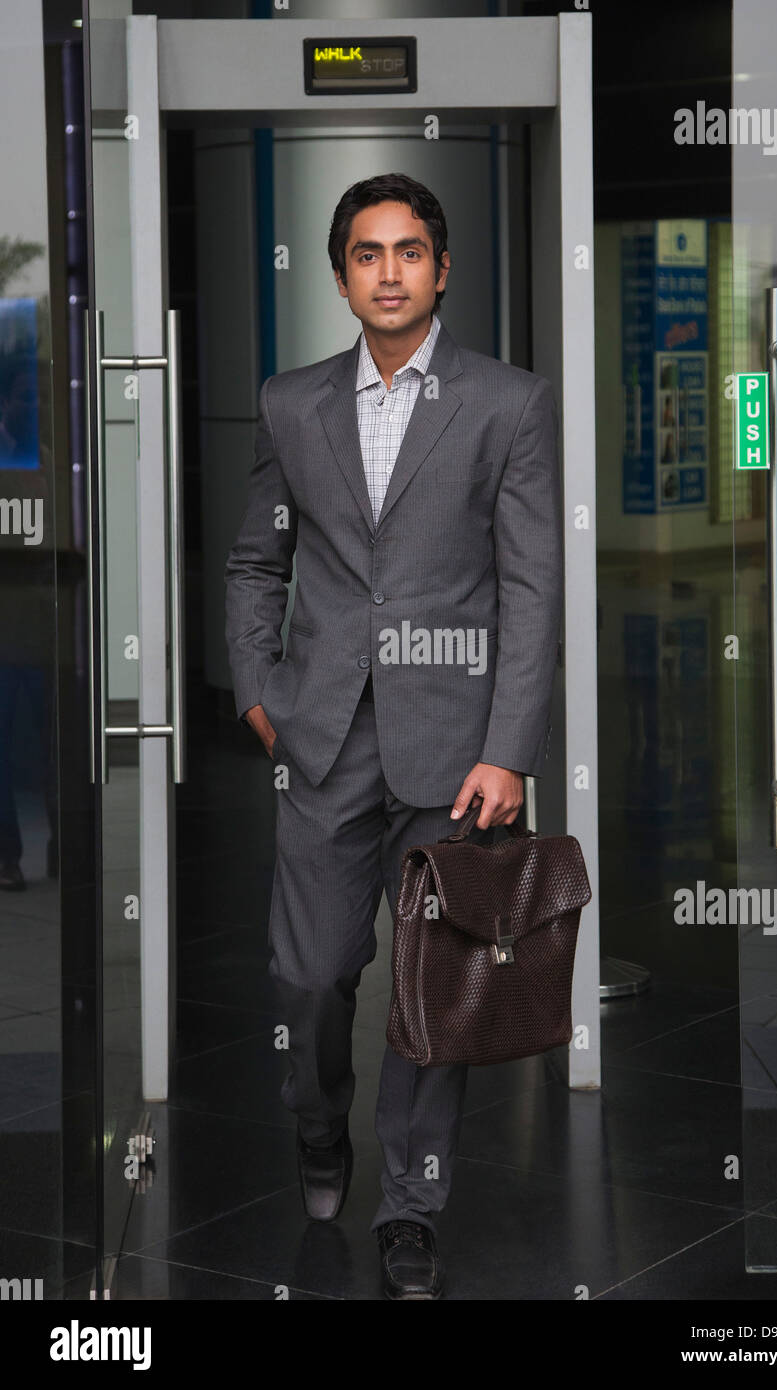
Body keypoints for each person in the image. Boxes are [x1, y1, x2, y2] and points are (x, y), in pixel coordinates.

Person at [224, 172, 563, 1299]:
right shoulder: (288, 403)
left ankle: (412, 1204)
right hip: (319, 741)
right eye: (366, 254)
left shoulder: (507, 402)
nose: (387, 272)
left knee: (430, 992)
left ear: (441, 267)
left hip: (454, 752)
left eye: (408, 251)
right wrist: (256, 692)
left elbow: (529, 583)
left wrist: (508, 747)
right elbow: (255, 560)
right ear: (339, 276)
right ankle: (320, 1133)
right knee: (311, 976)